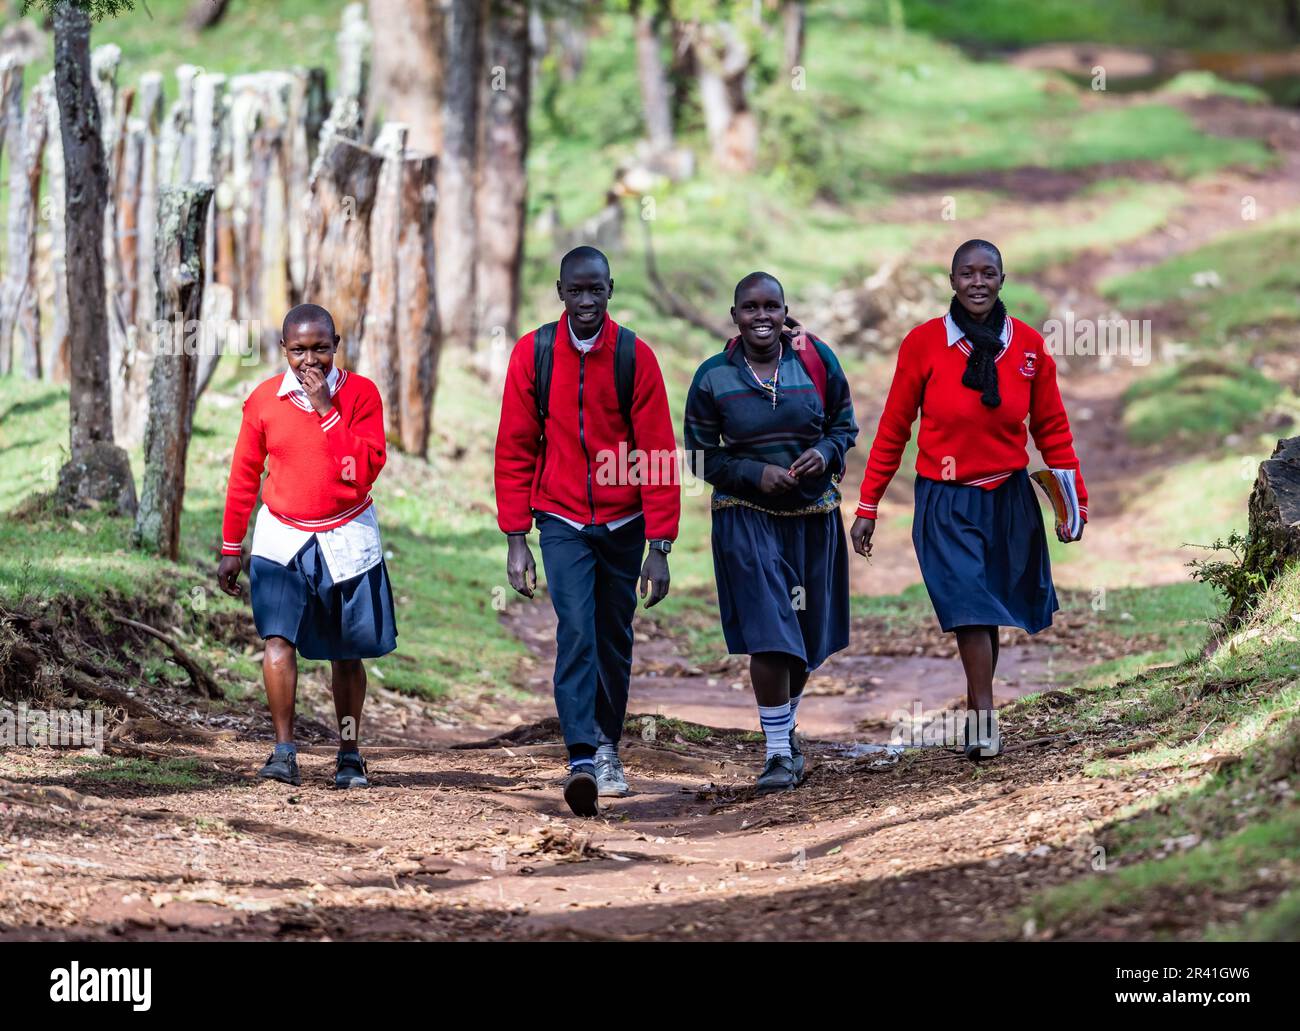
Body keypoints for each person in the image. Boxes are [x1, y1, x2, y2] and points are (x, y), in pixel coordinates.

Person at [849, 239, 1086, 760]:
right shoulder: (923, 344)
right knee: (970, 608)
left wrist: (1074, 499)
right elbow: (893, 428)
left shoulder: (1027, 347)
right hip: (945, 500)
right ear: (951, 281)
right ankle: (984, 717)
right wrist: (868, 506)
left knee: (990, 609)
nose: (977, 282)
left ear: (1002, 279)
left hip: (1007, 499)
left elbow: (1051, 428)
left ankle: (982, 712)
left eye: (988, 273)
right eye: (967, 273)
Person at [494, 246, 680, 817]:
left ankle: (608, 747)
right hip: (562, 519)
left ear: (610, 289)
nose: (585, 301)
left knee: (613, 636)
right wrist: (515, 536)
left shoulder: (634, 357)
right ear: (559, 292)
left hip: (625, 522)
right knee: (576, 628)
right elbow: (515, 444)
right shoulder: (535, 353)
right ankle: (580, 757)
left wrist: (661, 545)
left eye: (595, 290)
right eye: (575, 291)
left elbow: (657, 453)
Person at [683, 271, 858, 794]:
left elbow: (844, 425)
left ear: (785, 313)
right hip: (746, 518)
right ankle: (778, 752)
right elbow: (697, 454)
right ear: (734, 316)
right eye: (750, 307)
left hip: (812, 518)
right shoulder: (713, 376)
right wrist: (753, 474)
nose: (762, 316)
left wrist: (825, 453)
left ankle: (787, 733)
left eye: (772, 307)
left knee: (803, 638)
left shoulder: (815, 361)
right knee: (769, 631)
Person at [217, 304, 396, 788]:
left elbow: (363, 470)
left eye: (320, 348)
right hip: (282, 536)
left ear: (336, 345)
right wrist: (231, 545)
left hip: (346, 533)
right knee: (277, 640)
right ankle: (283, 750)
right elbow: (243, 475)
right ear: (284, 350)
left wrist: (325, 411)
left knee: (346, 652)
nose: (309, 360)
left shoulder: (361, 395)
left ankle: (350, 752)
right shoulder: (263, 401)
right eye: (298, 350)